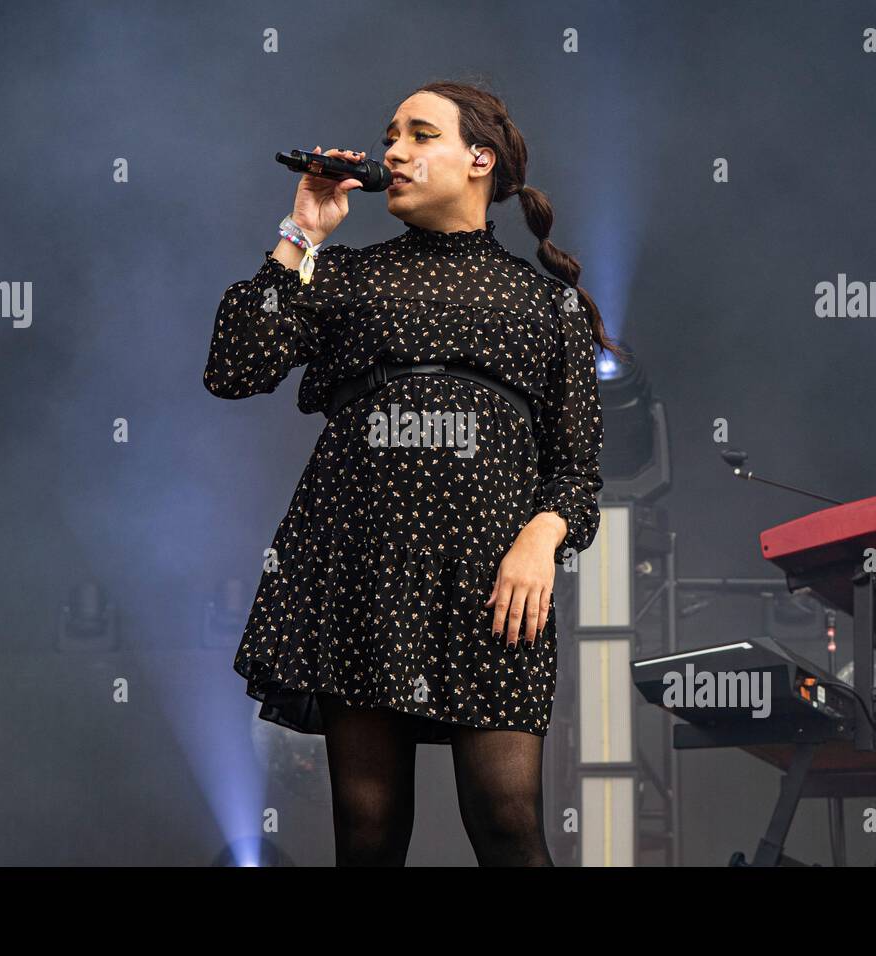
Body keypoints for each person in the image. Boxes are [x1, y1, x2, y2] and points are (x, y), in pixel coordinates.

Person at [205, 81, 622, 866]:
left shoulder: (546, 304)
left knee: (507, 821)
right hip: (361, 564)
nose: (392, 152)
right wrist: (303, 229)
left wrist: (542, 536)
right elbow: (234, 367)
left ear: (478, 158)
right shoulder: (347, 275)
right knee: (367, 826)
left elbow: (577, 471)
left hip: (492, 581)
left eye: (418, 135)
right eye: (389, 135)